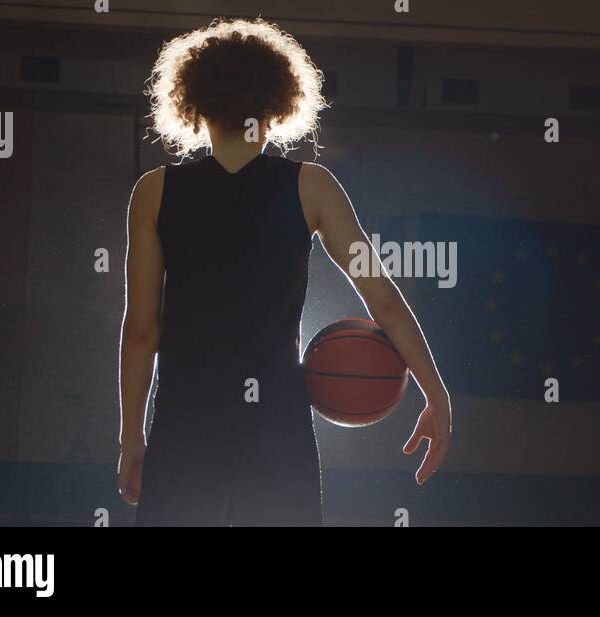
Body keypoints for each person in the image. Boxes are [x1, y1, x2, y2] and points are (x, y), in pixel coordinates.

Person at [116, 18, 451, 525]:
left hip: (185, 423)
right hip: (274, 422)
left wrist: (132, 439)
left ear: (195, 102)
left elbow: (142, 331)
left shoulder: (154, 192)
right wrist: (436, 393)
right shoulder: (312, 187)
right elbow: (381, 299)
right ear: (278, 103)